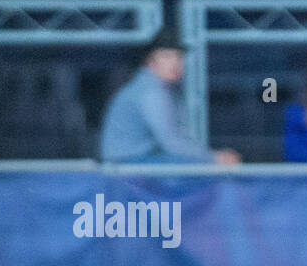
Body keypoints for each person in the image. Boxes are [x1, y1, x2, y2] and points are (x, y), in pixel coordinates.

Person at [99, 28, 240, 164]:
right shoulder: (151, 91)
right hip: (128, 164)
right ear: (151, 62)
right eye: (167, 56)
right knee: (199, 169)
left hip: (129, 161)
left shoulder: (153, 87)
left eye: (179, 57)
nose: (175, 63)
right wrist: (214, 158)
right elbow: (171, 142)